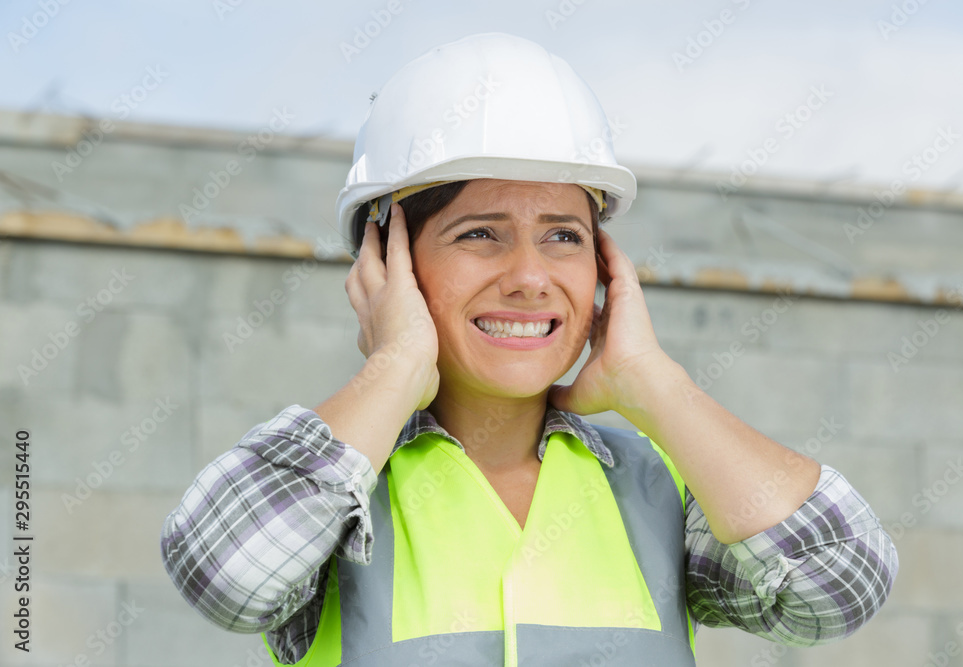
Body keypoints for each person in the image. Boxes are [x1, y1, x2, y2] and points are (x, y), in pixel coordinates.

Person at [161, 33, 898, 666]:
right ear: (387, 263)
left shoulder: (660, 486)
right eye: (480, 233)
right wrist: (394, 366)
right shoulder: (334, 491)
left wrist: (651, 381)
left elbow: (841, 583)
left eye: (563, 236)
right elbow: (224, 574)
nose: (529, 277)